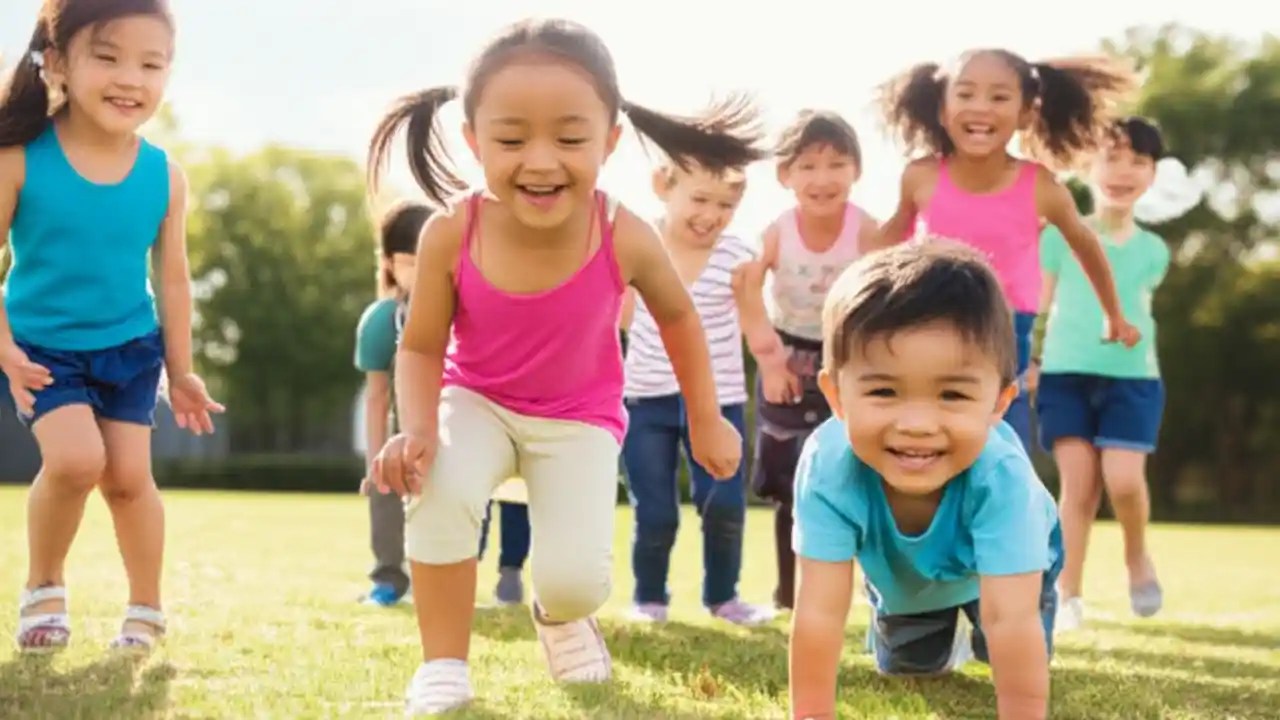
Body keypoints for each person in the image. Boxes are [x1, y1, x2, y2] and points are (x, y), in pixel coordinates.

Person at [364, 17, 759, 715]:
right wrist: (419, 427)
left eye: (570, 139)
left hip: (580, 417)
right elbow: (421, 345)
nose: (541, 161)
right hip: (475, 400)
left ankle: (561, 615)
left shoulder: (623, 231)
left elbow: (678, 319)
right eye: (512, 139)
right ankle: (444, 667)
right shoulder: (452, 231)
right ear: (474, 141)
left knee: (575, 580)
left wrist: (706, 419)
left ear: (609, 141)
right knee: (443, 490)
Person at [0, 0, 222, 654]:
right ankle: (44, 587)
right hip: (42, 348)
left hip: (129, 348)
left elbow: (174, 279)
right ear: (58, 60)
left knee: (128, 480)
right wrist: (7, 351)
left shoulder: (164, 176)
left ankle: (146, 608)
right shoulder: (18, 158)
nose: (133, 79)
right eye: (109, 56)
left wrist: (181, 370)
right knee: (75, 460)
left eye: (152, 64)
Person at [789, 241, 1062, 720]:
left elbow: (1011, 617)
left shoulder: (1003, 479)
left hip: (1011, 576)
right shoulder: (828, 468)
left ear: (999, 404)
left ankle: (974, 633)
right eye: (884, 391)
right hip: (909, 581)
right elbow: (819, 611)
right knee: (911, 667)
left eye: (952, 394)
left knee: (1007, 645)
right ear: (835, 395)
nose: (917, 423)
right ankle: (933, 630)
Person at [873, 48, 1143, 449]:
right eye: (965, 94)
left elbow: (1085, 245)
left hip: (1004, 325)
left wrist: (1114, 315)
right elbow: (886, 243)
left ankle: (1009, 499)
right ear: (943, 109)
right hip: (927, 316)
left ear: (1025, 114)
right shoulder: (921, 177)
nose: (981, 108)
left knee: (999, 431)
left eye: (999, 97)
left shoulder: (1039, 186)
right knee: (935, 425)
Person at [1032, 117, 1174, 632]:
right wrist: (1029, 359)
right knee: (1079, 486)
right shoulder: (1058, 237)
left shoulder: (1155, 251)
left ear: (1153, 175)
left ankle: (1137, 557)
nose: (1123, 172)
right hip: (1064, 375)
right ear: (1088, 166)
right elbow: (1041, 304)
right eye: (1111, 158)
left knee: (1124, 479)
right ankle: (1068, 592)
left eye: (1138, 161)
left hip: (1133, 380)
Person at [618, 159, 773, 626]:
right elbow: (617, 322)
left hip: (718, 399)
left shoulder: (736, 256)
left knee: (724, 502)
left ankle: (724, 598)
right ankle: (650, 600)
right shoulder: (639, 246)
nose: (712, 214)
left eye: (726, 204)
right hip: (645, 399)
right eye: (700, 199)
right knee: (656, 510)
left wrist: (775, 362)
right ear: (663, 186)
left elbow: (754, 321)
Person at [355, 200, 532, 607]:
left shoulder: (470, 311)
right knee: (386, 492)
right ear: (388, 264)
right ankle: (388, 578)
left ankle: (462, 579)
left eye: (427, 260)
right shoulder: (382, 322)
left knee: (457, 505)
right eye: (407, 262)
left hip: (461, 431)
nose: (418, 272)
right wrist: (374, 456)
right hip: (405, 434)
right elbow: (377, 396)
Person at [736, 109, 878, 611]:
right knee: (791, 479)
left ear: (856, 172)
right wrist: (770, 360)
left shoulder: (866, 231)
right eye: (808, 166)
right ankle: (789, 595)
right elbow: (746, 289)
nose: (823, 178)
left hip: (848, 355)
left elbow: (888, 297)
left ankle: (870, 586)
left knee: (861, 470)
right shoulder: (775, 232)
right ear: (785, 175)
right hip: (786, 351)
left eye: (837, 164)